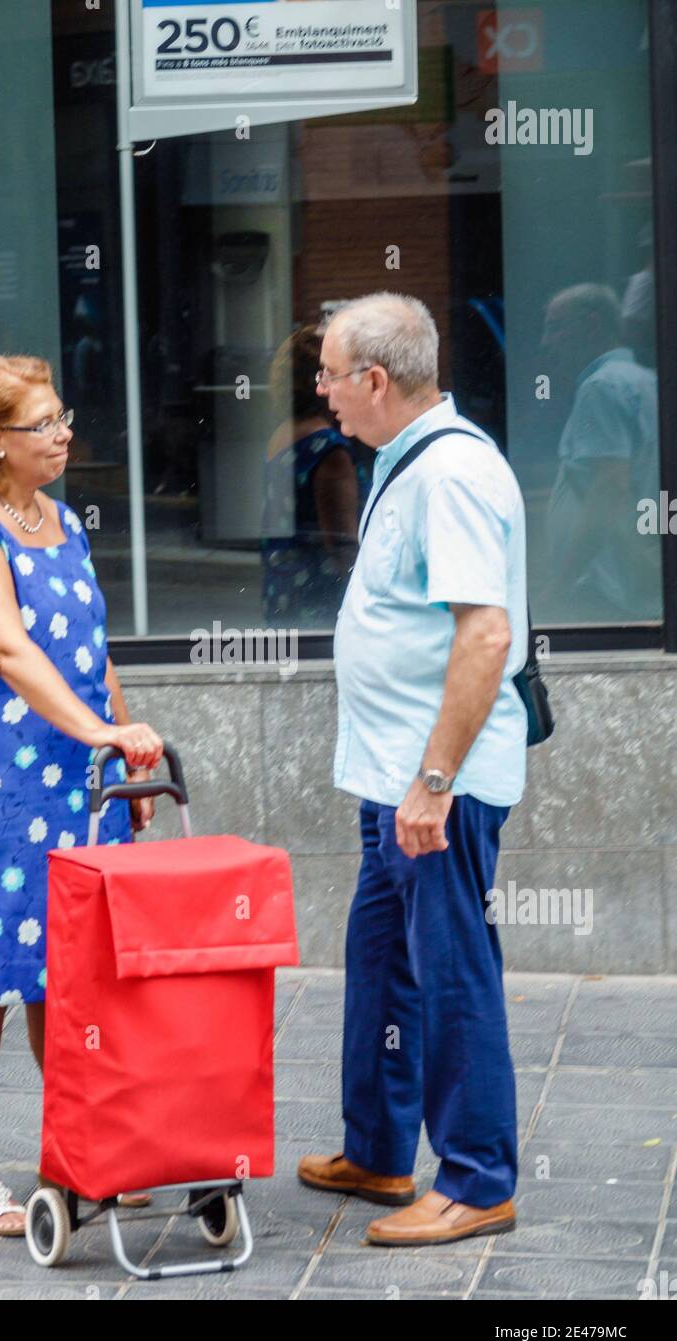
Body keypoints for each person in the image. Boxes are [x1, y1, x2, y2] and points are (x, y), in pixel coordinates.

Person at [297, 293, 527, 1246]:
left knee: (450, 971)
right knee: (384, 965)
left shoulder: (453, 475)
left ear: (376, 381)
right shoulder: (406, 459)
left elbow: (485, 633)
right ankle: (383, 1149)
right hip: (393, 777)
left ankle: (477, 1180)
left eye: (329, 374)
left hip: (436, 788)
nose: (320, 391)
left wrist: (433, 784)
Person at [0, 354, 164, 1237]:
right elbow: (10, 651)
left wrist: (124, 748)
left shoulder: (60, 520)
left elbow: (91, 653)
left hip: (75, 779)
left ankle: (79, 1146)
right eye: (43, 423)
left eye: (63, 417)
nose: (63, 433)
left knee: (74, 974)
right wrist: (98, 733)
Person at [540, 282, 659, 622]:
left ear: (591, 324)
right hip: (631, 585)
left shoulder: (601, 387)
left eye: (555, 328)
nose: (546, 342)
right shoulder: (643, 380)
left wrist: (561, 582)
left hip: (605, 588)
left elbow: (610, 488)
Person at [261, 326, 368, 626]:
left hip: (284, 594)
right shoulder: (327, 450)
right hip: (321, 603)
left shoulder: (281, 437)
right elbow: (343, 546)